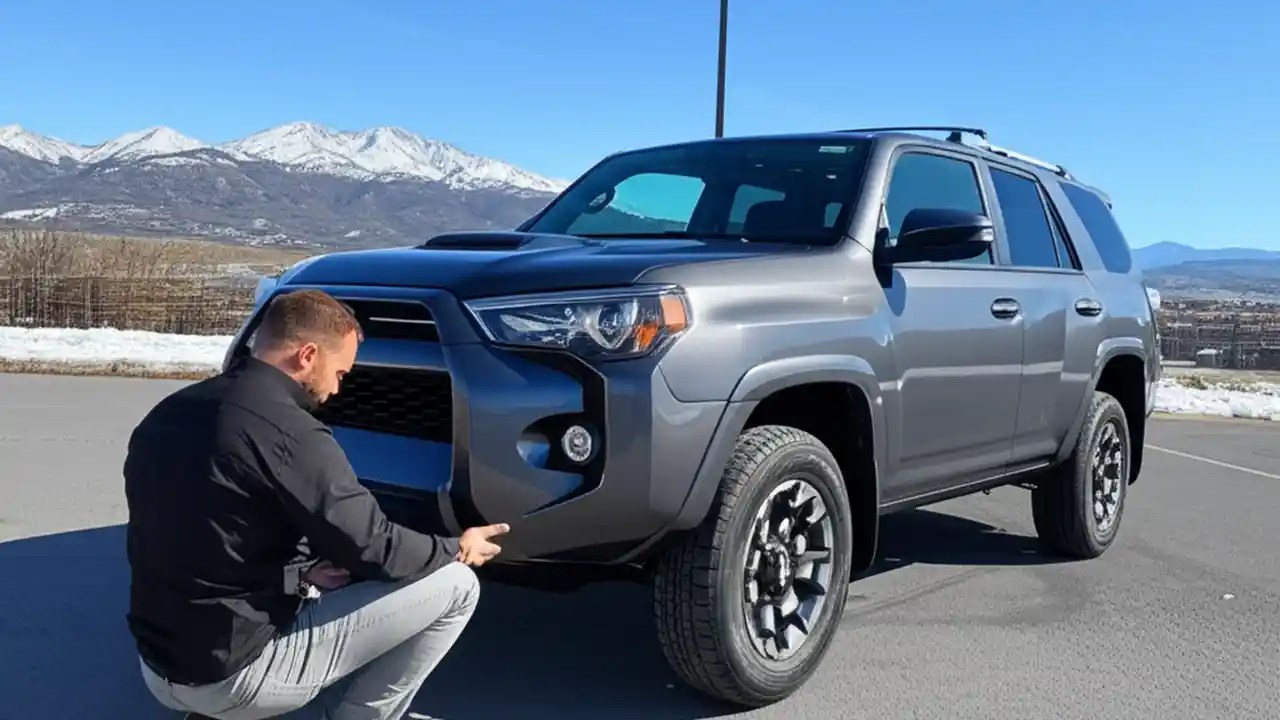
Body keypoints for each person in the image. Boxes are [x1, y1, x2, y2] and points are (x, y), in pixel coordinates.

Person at [123, 288, 509, 720]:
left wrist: (299, 574)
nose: (337, 388)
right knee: (456, 585)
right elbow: (374, 548)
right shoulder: (292, 432)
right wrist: (457, 547)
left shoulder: (167, 414)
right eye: (341, 372)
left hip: (159, 670)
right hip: (232, 677)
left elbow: (202, 542)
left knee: (315, 582)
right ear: (307, 355)